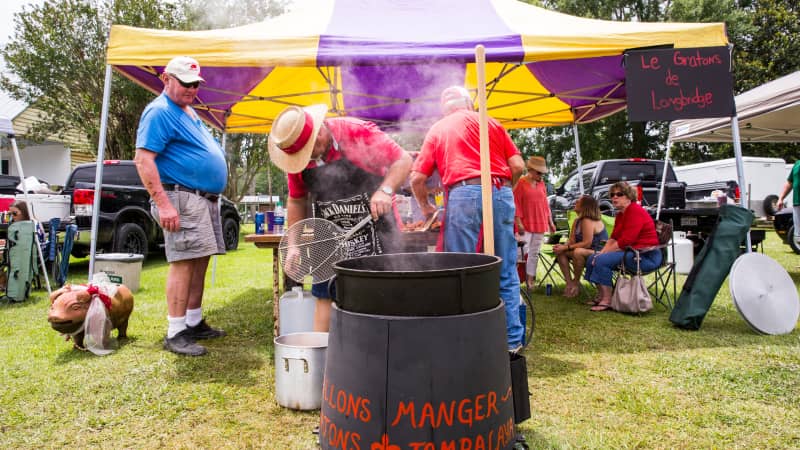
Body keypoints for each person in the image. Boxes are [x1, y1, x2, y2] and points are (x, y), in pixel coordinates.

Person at [268, 104, 412, 332]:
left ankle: (388, 354)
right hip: (329, 237)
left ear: (319, 134)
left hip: (378, 231)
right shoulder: (296, 158)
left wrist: (385, 190)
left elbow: (403, 160)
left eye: (309, 153)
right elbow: (296, 200)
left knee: (386, 294)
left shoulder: (358, 132)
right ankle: (324, 359)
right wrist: (294, 243)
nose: (308, 159)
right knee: (325, 295)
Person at [409, 85, 525, 353]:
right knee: (506, 269)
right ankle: (511, 343)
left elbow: (417, 178)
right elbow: (518, 166)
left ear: (444, 108)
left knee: (460, 268)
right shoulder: (490, 122)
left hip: (464, 193)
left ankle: (464, 340)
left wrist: (426, 207)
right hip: (501, 190)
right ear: (469, 104)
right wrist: (507, 189)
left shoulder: (439, 128)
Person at [134, 56, 228, 356]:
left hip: (200, 197)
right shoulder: (160, 111)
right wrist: (163, 204)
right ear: (166, 79)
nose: (191, 89)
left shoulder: (187, 110)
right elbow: (143, 160)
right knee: (184, 261)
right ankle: (175, 331)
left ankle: (194, 321)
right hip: (180, 197)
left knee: (200, 259)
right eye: (185, 83)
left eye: (195, 84)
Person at [584, 182, 661, 311]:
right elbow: (613, 238)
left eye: (619, 194)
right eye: (612, 195)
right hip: (631, 253)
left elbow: (626, 241)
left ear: (629, 196)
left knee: (601, 261)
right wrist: (602, 252)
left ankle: (607, 300)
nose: (614, 197)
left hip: (645, 256)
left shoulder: (635, 211)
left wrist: (603, 255)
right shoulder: (621, 214)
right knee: (592, 257)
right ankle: (601, 295)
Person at [552, 195, 608, 298]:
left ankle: (576, 283)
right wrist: (563, 246)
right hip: (584, 250)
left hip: (598, 252)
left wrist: (566, 247)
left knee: (578, 252)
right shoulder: (577, 221)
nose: (575, 202)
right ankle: (569, 283)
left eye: (578, 201)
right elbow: (572, 241)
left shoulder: (588, 220)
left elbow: (587, 243)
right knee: (561, 251)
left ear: (585, 206)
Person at [513, 156, 556, 287]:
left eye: (542, 173)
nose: (541, 175)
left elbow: (545, 205)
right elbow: (516, 204)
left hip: (541, 222)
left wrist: (550, 222)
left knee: (534, 253)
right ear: (530, 169)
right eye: (539, 172)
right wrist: (519, 223)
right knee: (520, 253)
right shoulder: (520, 183)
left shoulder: (542, 184)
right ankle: (513, 281)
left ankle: (530, 281)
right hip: (525, 223)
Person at [777, 160, 800, 245]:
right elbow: (790, 183)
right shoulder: (797, 164)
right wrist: (781, 198)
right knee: (798, 238)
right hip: (797, 203)